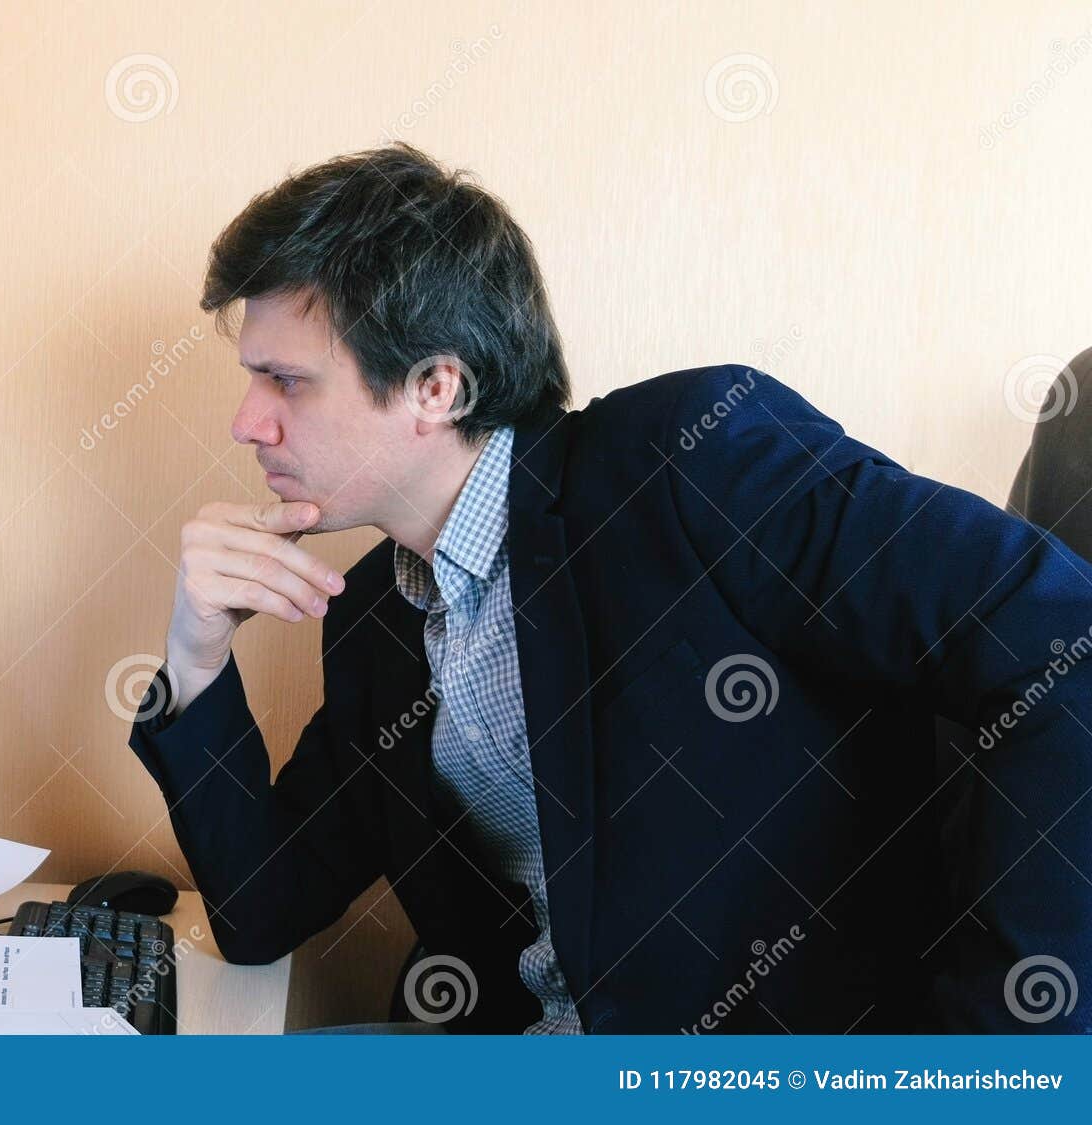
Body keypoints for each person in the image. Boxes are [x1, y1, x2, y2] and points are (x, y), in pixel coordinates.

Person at [126, 144, 1091, 1033]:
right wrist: (197, 657)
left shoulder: (695, 459)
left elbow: (1064, 642)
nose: (248, 423)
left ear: (436, 387)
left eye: (284, 381)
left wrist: (998, 1058)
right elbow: (261, 911)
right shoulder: (378, 611)